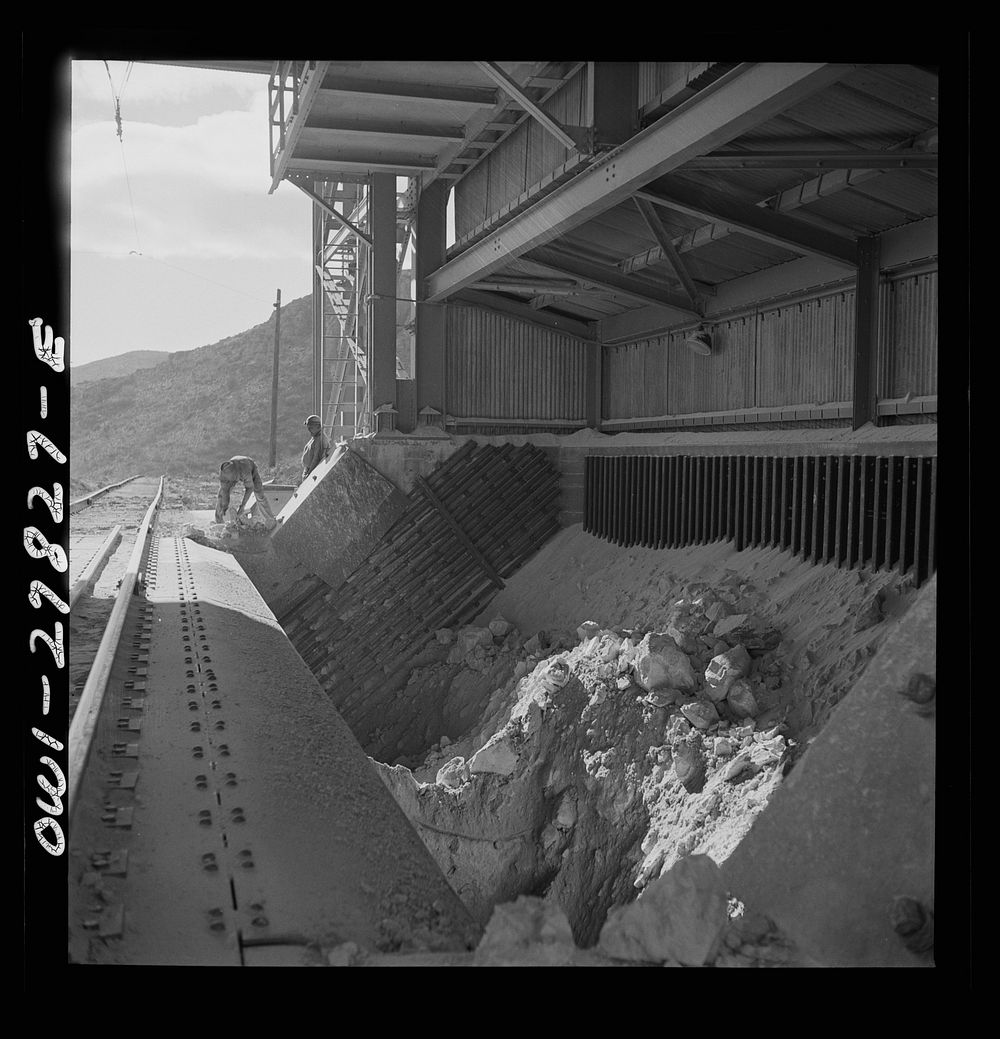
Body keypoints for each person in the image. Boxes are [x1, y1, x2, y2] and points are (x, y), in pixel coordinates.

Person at [215, 455, 277, 528]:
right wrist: (224, 506)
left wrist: (242, 506)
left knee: (259, 494)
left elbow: (250, 488)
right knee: (221, 494)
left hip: (250, 466)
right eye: (229, 480)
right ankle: (218, 520)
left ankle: (270, 518)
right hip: (235, 467)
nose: (232, 482)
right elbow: (225, 491)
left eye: (233, 478)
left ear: (236, 474)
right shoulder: (223, 474)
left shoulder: (245, 471)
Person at [301, 414, 331, 481]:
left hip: (313, 474)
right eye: (308, 428)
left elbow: (316, 459)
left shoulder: (321, 440)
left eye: (310, 428)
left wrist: (309, 474)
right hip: (308, 471)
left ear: (318, 426)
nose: (308, 430)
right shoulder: (315, 438)